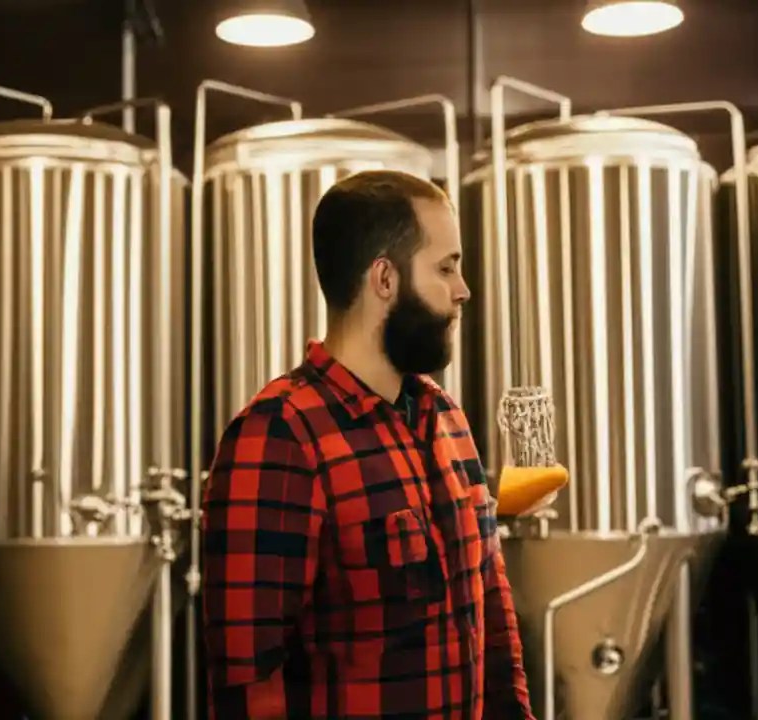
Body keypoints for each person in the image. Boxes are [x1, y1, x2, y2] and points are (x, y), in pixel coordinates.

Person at [200, 169, 535, 719]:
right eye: (446, 267)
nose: (463, 289)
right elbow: (248, 683)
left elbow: (492, 620)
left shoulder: (445, 418)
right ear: (385, 278)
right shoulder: (280, 436)